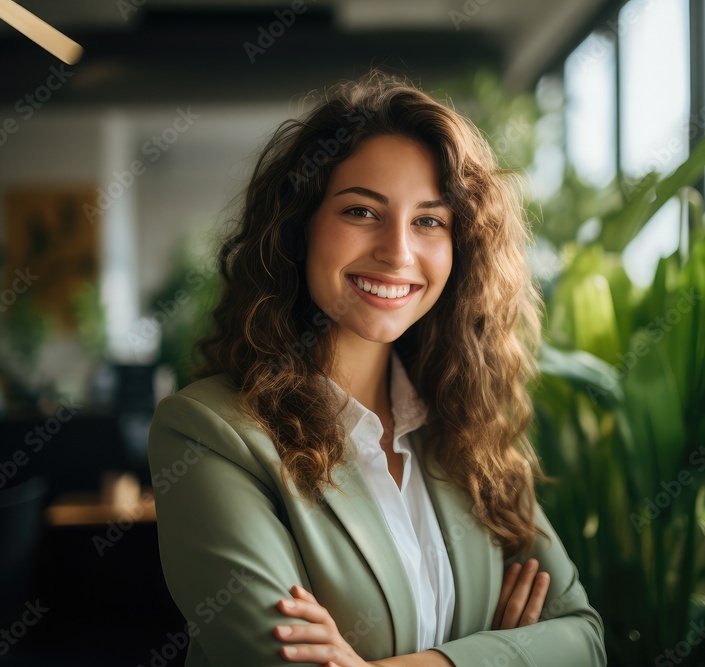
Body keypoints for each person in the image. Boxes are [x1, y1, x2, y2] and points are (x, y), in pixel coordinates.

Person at [147, 69, 606, 667]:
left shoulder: (467, 430)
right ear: (298, 227)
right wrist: (506, 652)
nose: (397, 251)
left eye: (429, 220)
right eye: (362, 211)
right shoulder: (208, 431)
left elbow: (584, 639)